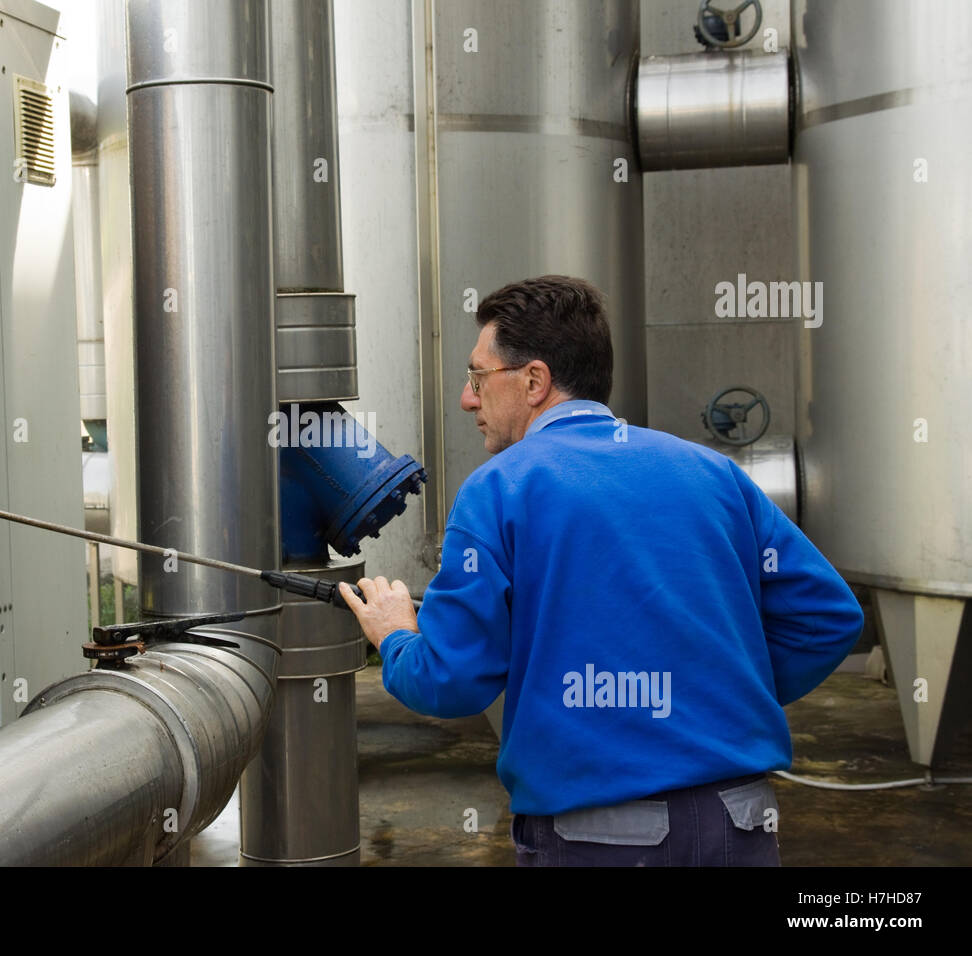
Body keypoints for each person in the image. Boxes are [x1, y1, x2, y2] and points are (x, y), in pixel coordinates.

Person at [338, 275, 864, 867]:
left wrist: (397, 636)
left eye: (477, 377)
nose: (467, 398)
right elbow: (828, 618)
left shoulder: (500, 489)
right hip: (741, 823)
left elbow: (451, 682)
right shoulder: (712, 472)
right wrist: (715, 695)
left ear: (534, 381)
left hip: (599, 838)